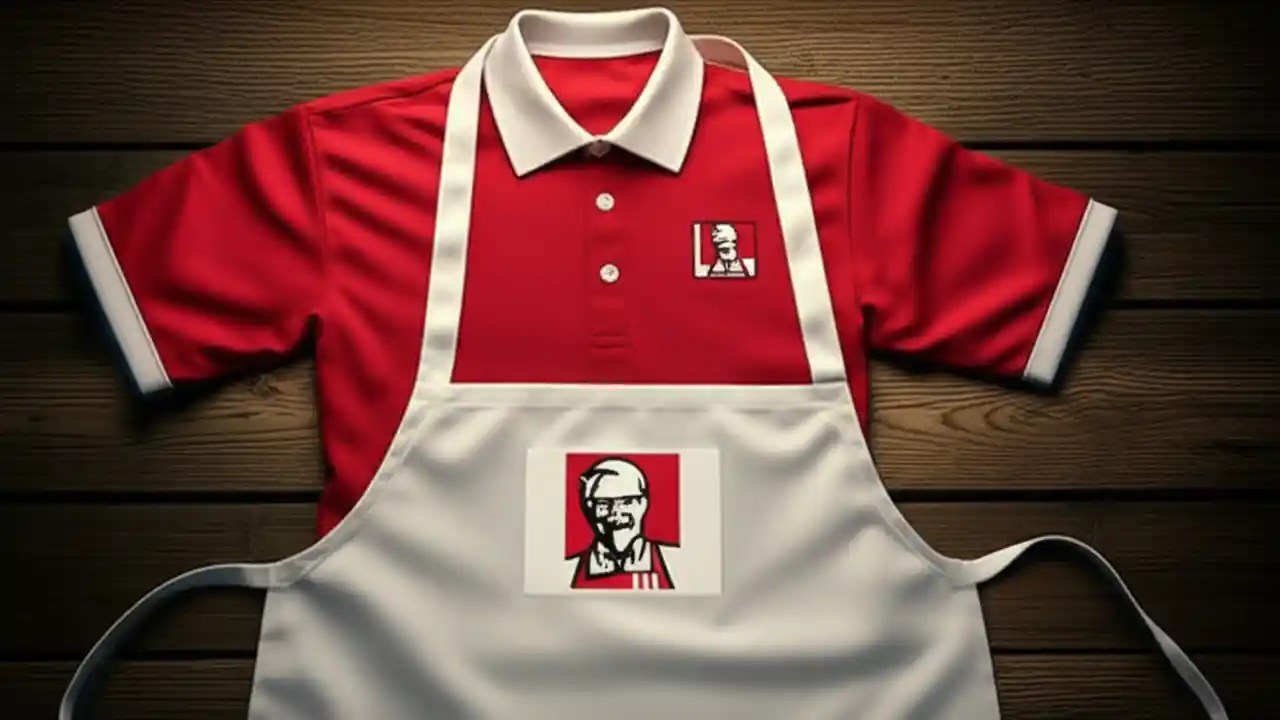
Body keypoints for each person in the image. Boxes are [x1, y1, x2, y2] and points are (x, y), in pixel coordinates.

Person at [568, 457, 674, 589]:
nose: (615, 513)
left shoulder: (675, 563)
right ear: (589, 508)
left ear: (643, 504)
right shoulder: (568, 571)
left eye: (626, 502)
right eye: (603, 504)